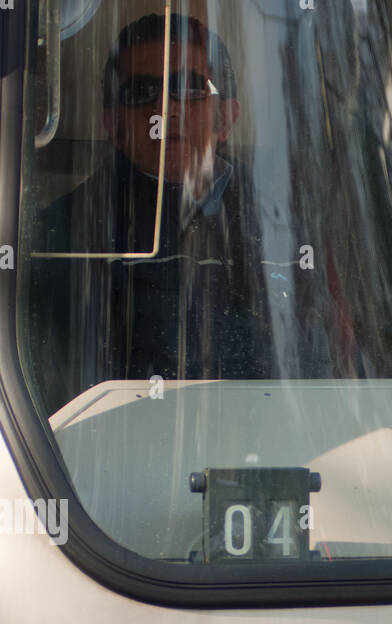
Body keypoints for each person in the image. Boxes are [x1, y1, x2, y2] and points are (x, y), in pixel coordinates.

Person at [27, 12, 338, 415]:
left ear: (226, 118)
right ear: (112, 122)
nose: (164, 109)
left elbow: (327, 370)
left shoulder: (289, 222)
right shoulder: (60, 235)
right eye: (141, 91)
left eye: (189, 88)